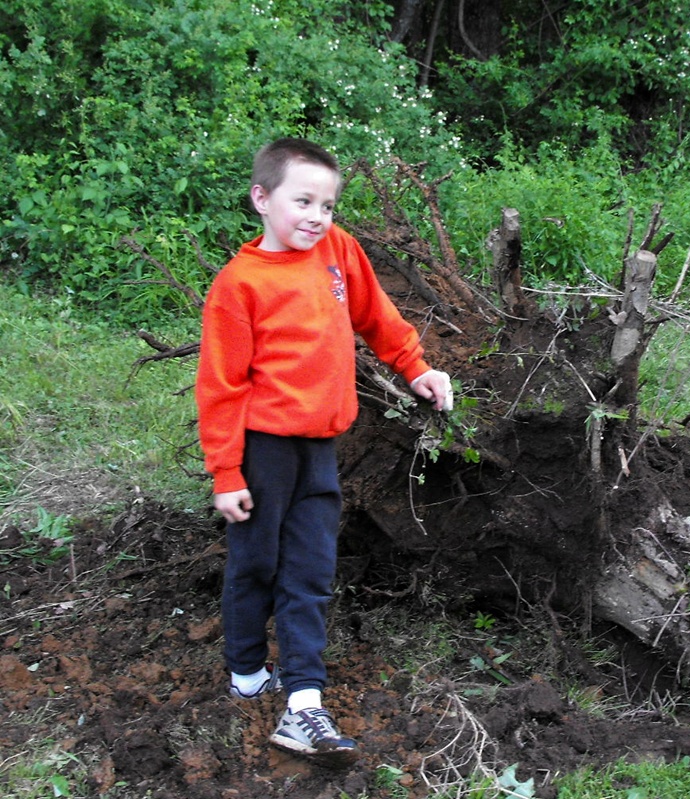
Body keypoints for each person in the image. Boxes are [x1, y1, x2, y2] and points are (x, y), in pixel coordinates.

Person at [195, 137, 452, 765]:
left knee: (311, 567)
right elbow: (221, 386)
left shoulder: (337, 251)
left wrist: (415, 366)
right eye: (303, 201)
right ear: (262, 198)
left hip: (320, 447)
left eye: (328, 205)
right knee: (256, 562)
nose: (317, 216)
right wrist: (226, 472)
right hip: (262, 451)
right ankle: (246, 672)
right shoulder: (240, 284)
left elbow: (375, 314)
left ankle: (303, 699)